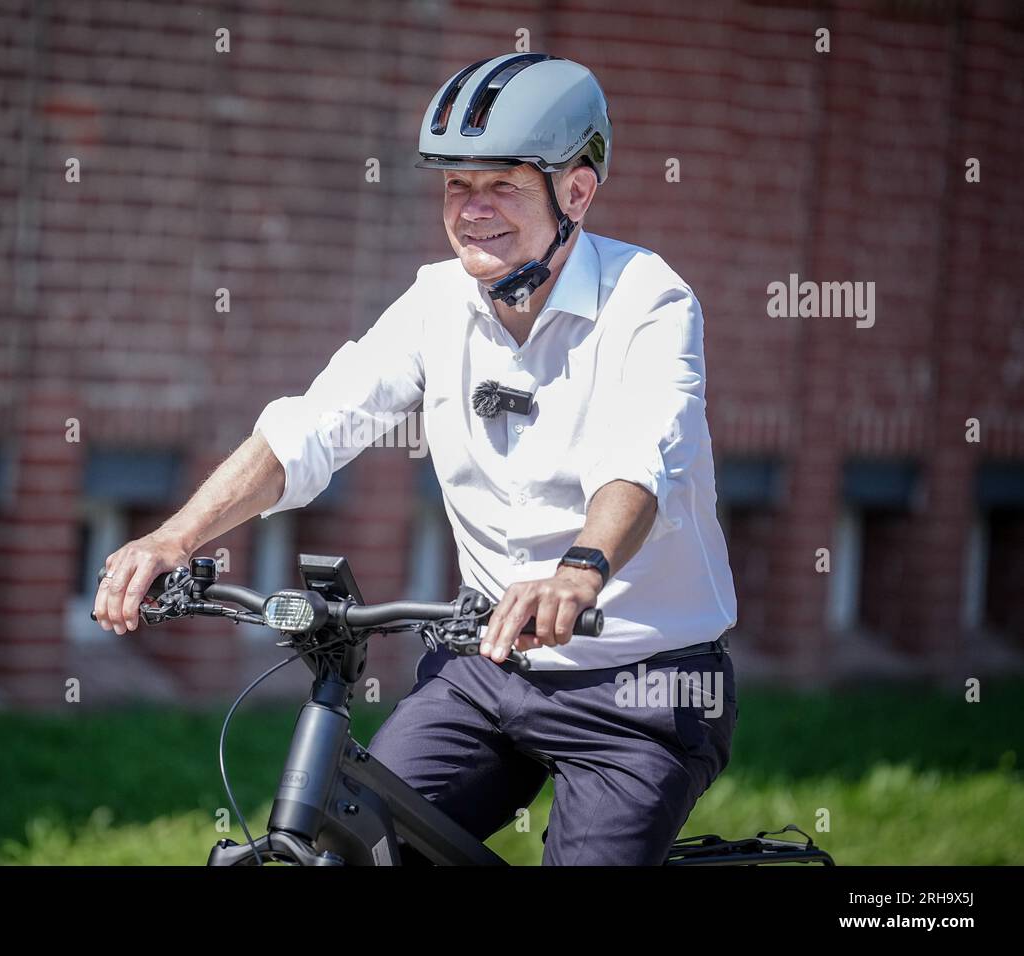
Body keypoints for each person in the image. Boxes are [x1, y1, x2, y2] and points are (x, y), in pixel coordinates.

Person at [95, 53, 739, 865]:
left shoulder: (649, 298)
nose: (472, 212)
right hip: (484, 666)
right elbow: (313, 426)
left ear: (576, 191)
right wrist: (176, 538)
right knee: (351, 846)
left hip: (640, 685)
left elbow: (641, 455)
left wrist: (579, 571)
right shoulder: (439, 301)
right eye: (455, 187)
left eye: (501, 185)